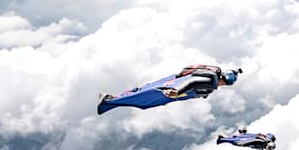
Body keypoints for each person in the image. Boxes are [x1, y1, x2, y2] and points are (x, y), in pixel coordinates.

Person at [97, 65, 241, 114]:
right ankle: (108, 101)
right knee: (144, 101)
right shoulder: (211, 80)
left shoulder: (209, 70)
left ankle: (112, 99)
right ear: (226, 81)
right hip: (172, 90)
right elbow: (194, 82)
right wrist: (177, 91)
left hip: (173, 79)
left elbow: (191, 76)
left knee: (142, 91)